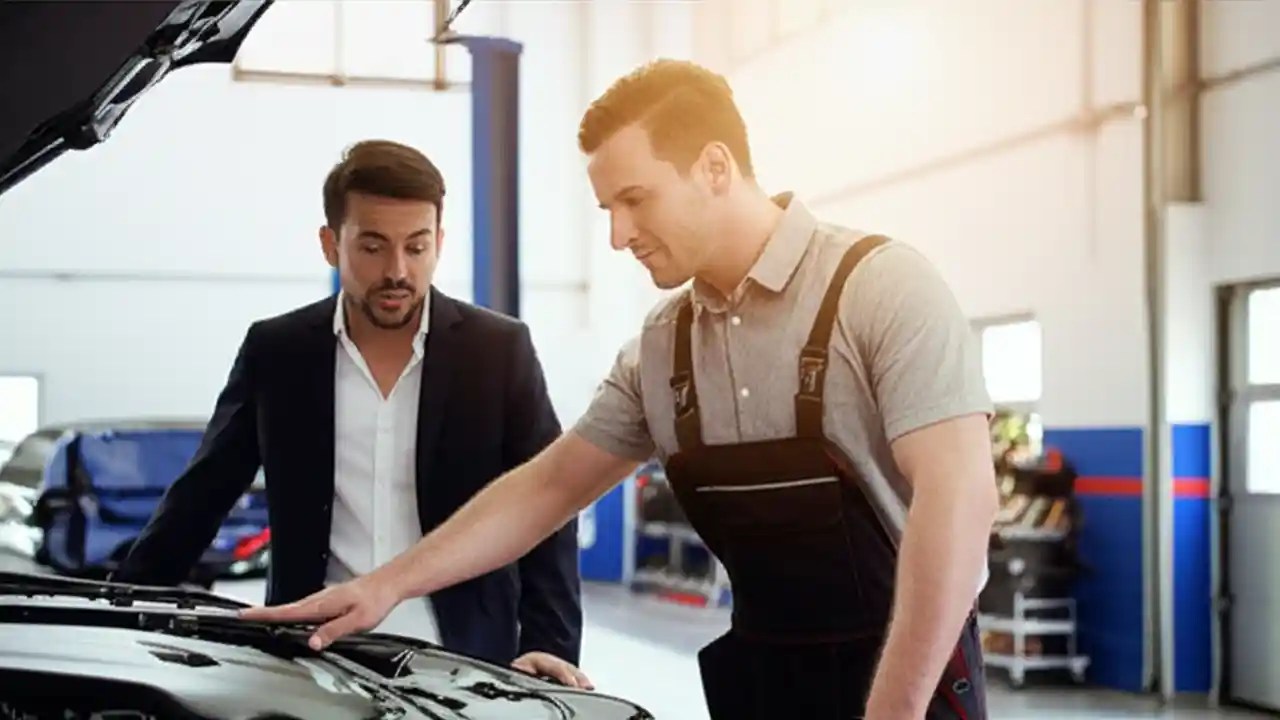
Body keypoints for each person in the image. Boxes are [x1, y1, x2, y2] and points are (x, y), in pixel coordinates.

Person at [242, 62, 999, 718]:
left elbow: (959, 499)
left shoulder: (880, 288)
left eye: (635, 200)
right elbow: (544, 490)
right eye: (608, 208)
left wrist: (893, 711)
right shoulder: (663, 348)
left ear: (713, 167)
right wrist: (384, 588)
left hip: (914, 682)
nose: (617, 234)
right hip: (767, 683)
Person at [112, 139, 587, 687]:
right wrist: (122, 606)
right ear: (330, 244)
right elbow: (202, 495)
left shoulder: (498, 350)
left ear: (440, 242)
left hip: (466, 663)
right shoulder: (279, 351)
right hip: (312, 658)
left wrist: (550, 647)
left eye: (417, 246)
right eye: (372, 247)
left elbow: (547, 505)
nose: (397, 271)